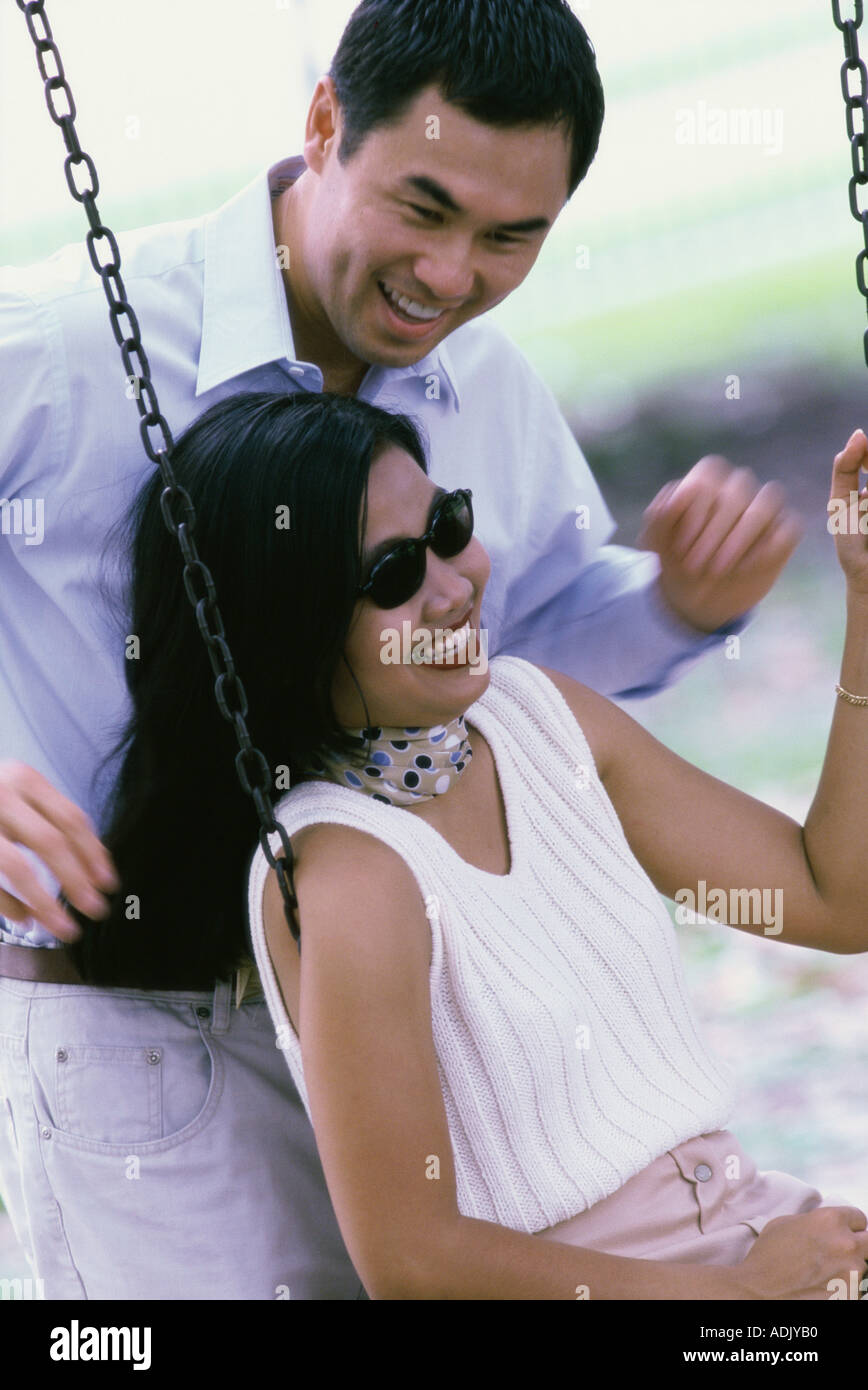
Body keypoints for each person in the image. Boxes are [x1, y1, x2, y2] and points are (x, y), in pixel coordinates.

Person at [0, 0, 800, 1298]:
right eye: (423, 210)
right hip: (149, 1023)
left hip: (417, 1031)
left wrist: (680, 606)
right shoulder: (67, 349)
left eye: (510, 237)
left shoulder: (484, 387)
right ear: (323, 124)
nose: (451, 275)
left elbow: (518, 666)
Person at [59, 385, 866, 1301]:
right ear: (293, 630)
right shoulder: (349, 870)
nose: (452, 586)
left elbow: (834, 895)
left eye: (446, 527)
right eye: (392, 577)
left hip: (762, 1238)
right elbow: (415, 1260)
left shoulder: (538, 720)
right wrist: (741, 1301)